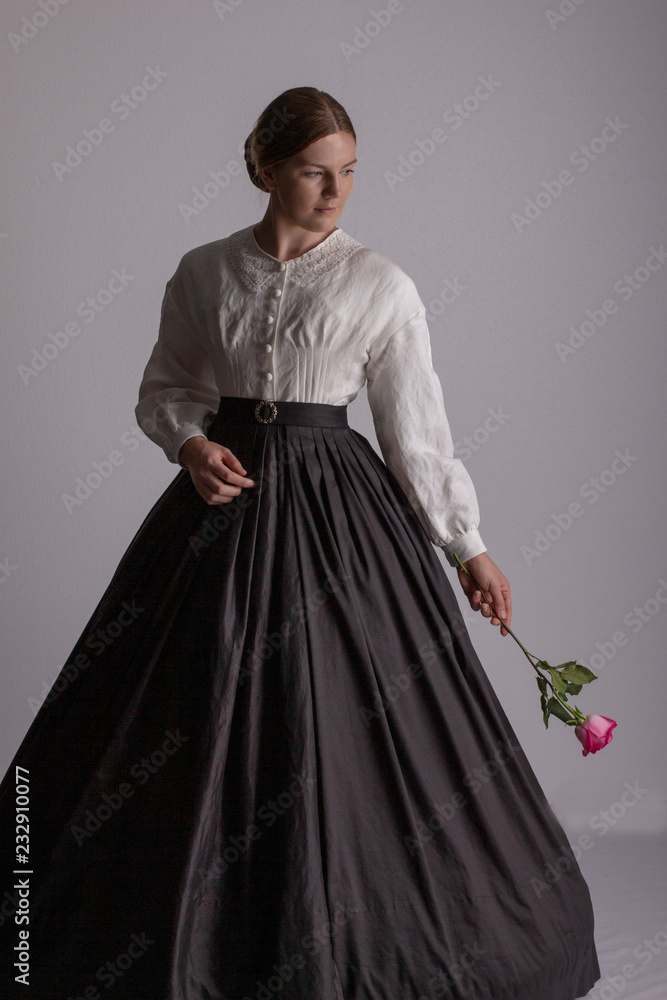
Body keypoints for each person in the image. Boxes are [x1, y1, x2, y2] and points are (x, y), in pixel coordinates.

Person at [0, 87, 600, 999]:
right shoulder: (202, 272)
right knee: (175, 716)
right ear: (266, 168)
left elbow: (416, 436)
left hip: (339, 524)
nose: (336, 191)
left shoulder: (382, 284)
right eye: (316, 172)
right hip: (218, 516)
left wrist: (465, 545)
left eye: (349, 172)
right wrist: (195, 445)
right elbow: (166, 389)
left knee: (349, 715)